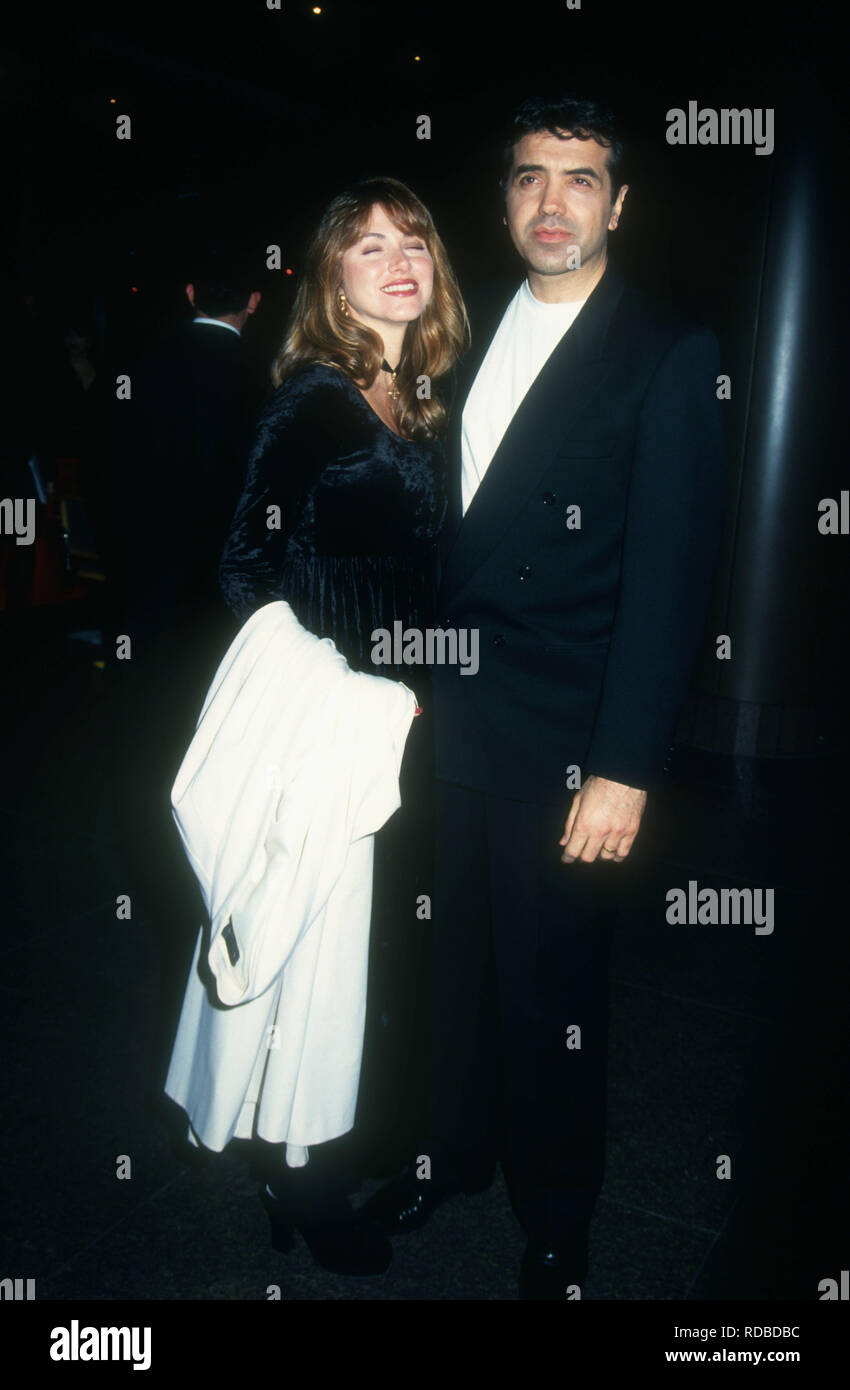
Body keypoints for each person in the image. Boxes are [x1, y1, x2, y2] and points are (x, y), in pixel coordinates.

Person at [363, 96, 727, 1299]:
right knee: (449, 968)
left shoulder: (667, 355)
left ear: (618, 205)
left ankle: (558, 1218)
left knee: (553, 994)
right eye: (530, 179)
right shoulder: (456, 337)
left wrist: (626, 766)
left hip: (570, 744)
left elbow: (670, 584)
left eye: (580, 181)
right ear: (507, 199)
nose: (553, 203)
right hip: (449, 722)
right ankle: (451, 1154)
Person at [215, 177, 468, 1275]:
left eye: (412, 241)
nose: (398, 260)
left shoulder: (418, 395)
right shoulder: (313, 399)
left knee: (367, 957)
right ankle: (298, 1174)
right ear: (332, 277)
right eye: (368, 247)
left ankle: (344, 1136)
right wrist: (336, 689)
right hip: (336, 716)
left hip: (407, 722)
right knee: (311, 947)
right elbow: (243, 569)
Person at [102, 248, 266, 1097]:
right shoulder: (270, 379)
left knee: (156, 763)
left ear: (193, 290)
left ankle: (171, 903)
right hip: (229, 617)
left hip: (152, 605)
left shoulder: (142, 369)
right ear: (255, 297)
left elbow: (113, 486)